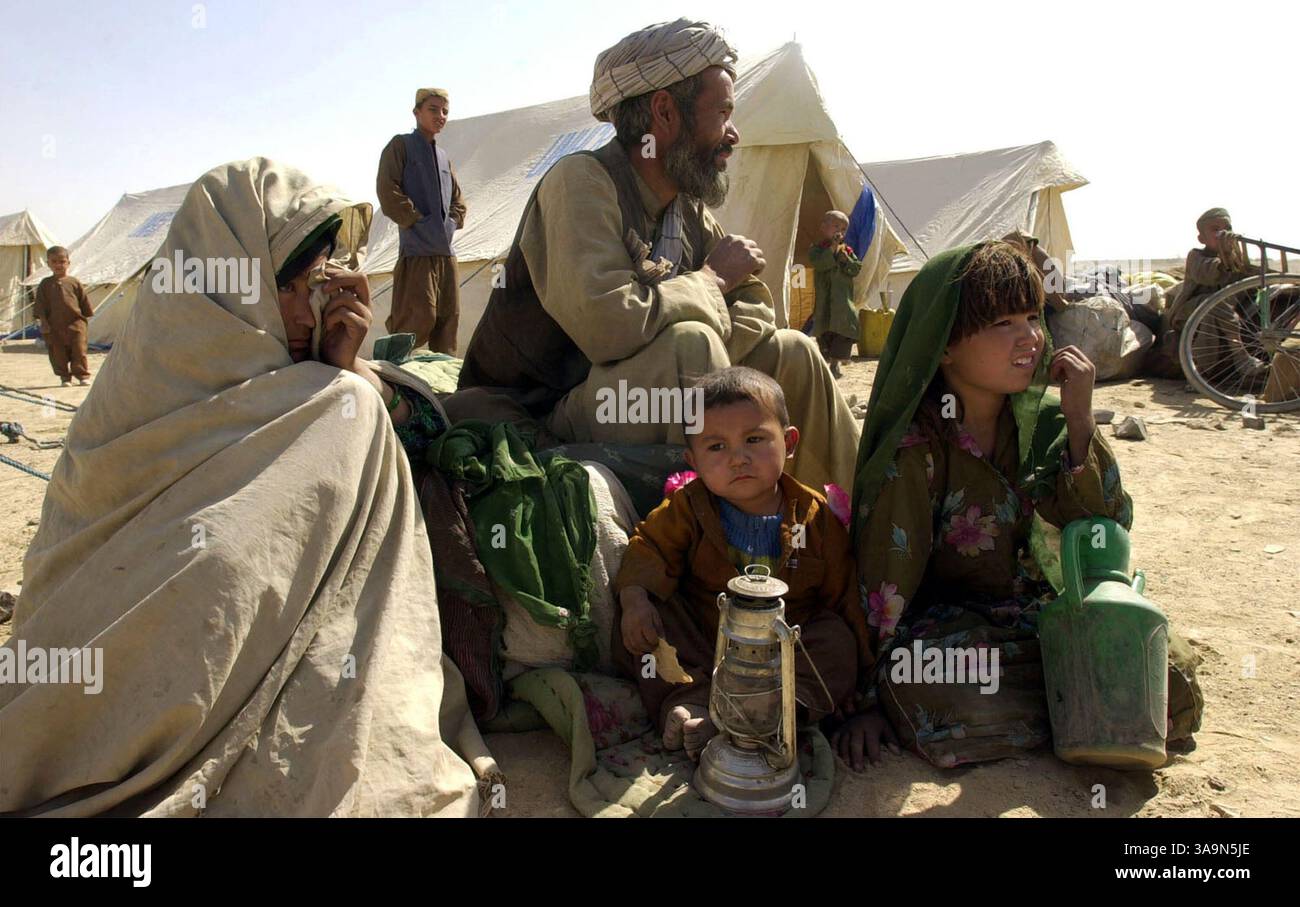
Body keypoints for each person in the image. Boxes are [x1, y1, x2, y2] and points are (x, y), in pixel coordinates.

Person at [0, 158, 493, 817]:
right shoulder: (150, 393)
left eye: (311, 287)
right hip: (89, 698)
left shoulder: (316, 393)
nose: (300, 311)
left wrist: (346, 369)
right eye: (283, 288)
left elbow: (423, 430)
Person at [833, 241, 1203, 770]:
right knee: (928, 684)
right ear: (943, 345)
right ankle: (1090, 709)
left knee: (1172, 668)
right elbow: (882, 585)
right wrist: (866, 701)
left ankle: (1071, 707)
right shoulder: (916, 450)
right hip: (955, 632)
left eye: (1032, 317)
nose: (1030, 337)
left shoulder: (1049, 421)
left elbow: (1106, 533)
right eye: (1003, 322)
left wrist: (1080, 423)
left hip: (1044, 619)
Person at [458, 19, 861, 491]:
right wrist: (708, 285)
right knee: (690, 346)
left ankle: (860, 531)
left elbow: (754, 296)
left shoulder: (682, 204)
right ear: (665, 112)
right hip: (546, 410)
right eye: (723, 113)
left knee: (792, 351)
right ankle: (714, 543)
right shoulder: (581, 182)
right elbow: (609, 324)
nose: (733, 134)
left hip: (638, 391)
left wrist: (712, 321)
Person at [612, 366, 870, 759]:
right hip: (706, 640)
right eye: (716, 447)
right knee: (651, 620)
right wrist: (635, 600)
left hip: (785, 649)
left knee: (836, 639)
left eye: (754, 439)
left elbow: (844, 597)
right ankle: (692, 702)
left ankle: (774, 714)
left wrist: (859, 687)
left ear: (789, 441)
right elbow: (649, 547)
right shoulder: (688, 508)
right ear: (692, 459)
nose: (738, 459)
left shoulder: (816, 519)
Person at [377, 87, 467, 353]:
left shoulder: (443, 157)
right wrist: (417, 221)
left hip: (446, 254)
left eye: (445, 111)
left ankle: (445, 389)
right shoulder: (400, 145)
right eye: (433, 109)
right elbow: (387, 190)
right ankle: (394, 382)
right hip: (416, 252)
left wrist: (450, 223)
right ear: (416, 112)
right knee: (415, 320)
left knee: (447, 323)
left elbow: (459, 200)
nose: (440, 116)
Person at [1149, 207, 1261, 381]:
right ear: (1202, 238)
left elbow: (1248, 281)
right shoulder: (1196, 256)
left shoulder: (1235, 257)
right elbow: (1211, 274)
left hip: (1218, 311)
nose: (1223, 233)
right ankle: (1240, 356)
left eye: (1227, 229)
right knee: (1214, 303)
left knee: (1212, 312)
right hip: (1188, 309)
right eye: (1216, 229)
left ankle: (1201, 375)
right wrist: (1226, 256)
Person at [809, 209, 861, 378]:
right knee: (825, 331)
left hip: (842, 301)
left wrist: (847, 260)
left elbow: (855, 268)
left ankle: (836, 363)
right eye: (836, 226)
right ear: (823, 227)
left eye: (844, 229)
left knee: (843, 329)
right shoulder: (817, 249)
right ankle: (826, 360)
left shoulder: (846, 250)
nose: (840, 231)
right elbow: (821, 263)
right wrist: (832, 248)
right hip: (825, 300)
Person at [33, 246, 94, 385]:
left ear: (68, 263)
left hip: (76, 323)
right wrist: (44, 322)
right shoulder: (45, 284)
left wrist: (85, 319)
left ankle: (82, 375)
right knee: (58, 353)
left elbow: (83, 301)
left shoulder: (74, 282)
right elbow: (40, 304)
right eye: (54, 262)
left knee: (79, 350)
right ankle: (65, 377)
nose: (58, 265)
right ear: (48, 264)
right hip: (54, 325)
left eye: (62, 261)